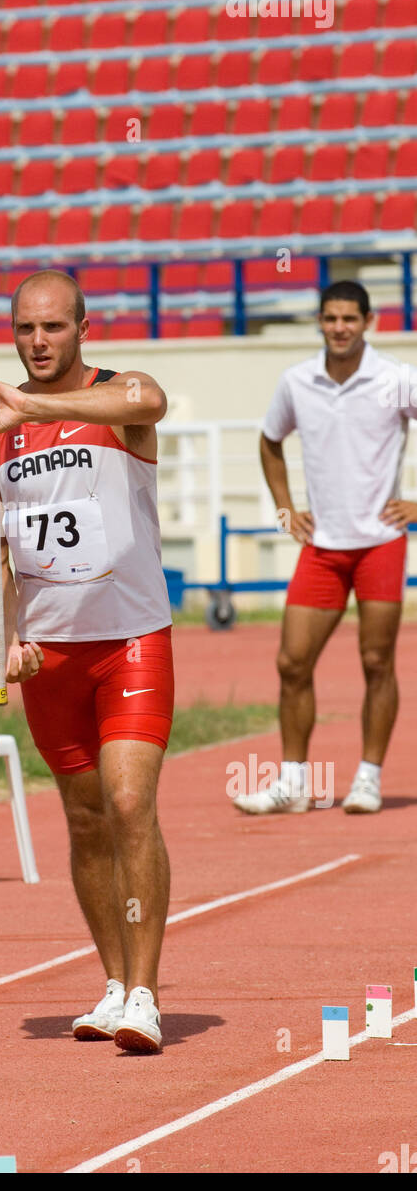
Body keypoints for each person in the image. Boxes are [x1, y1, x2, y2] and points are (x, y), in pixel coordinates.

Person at [0, 269, 174, 1052]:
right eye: (24, 329)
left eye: (52, 327)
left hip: (130, 641)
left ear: (83, 327)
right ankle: (114, 981)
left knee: (126, 804)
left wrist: (32, 404)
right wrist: (1, 640)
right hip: (48, 657)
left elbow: (148, 403)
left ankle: (147, 994)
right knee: (85, 821)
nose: (38, 342)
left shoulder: (122, 398)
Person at [234, 279, 417, 816]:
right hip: (323, 547)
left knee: (377, 659)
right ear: (319, 320)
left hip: (380, 541)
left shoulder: (396, 379)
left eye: (350, 319)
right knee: (292, 662)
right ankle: (292, 781)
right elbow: (270, 441)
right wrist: (286, 508)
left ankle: (368, 776)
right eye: (330, 318)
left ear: (369, 321)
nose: (340, 328)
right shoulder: (297, 382)